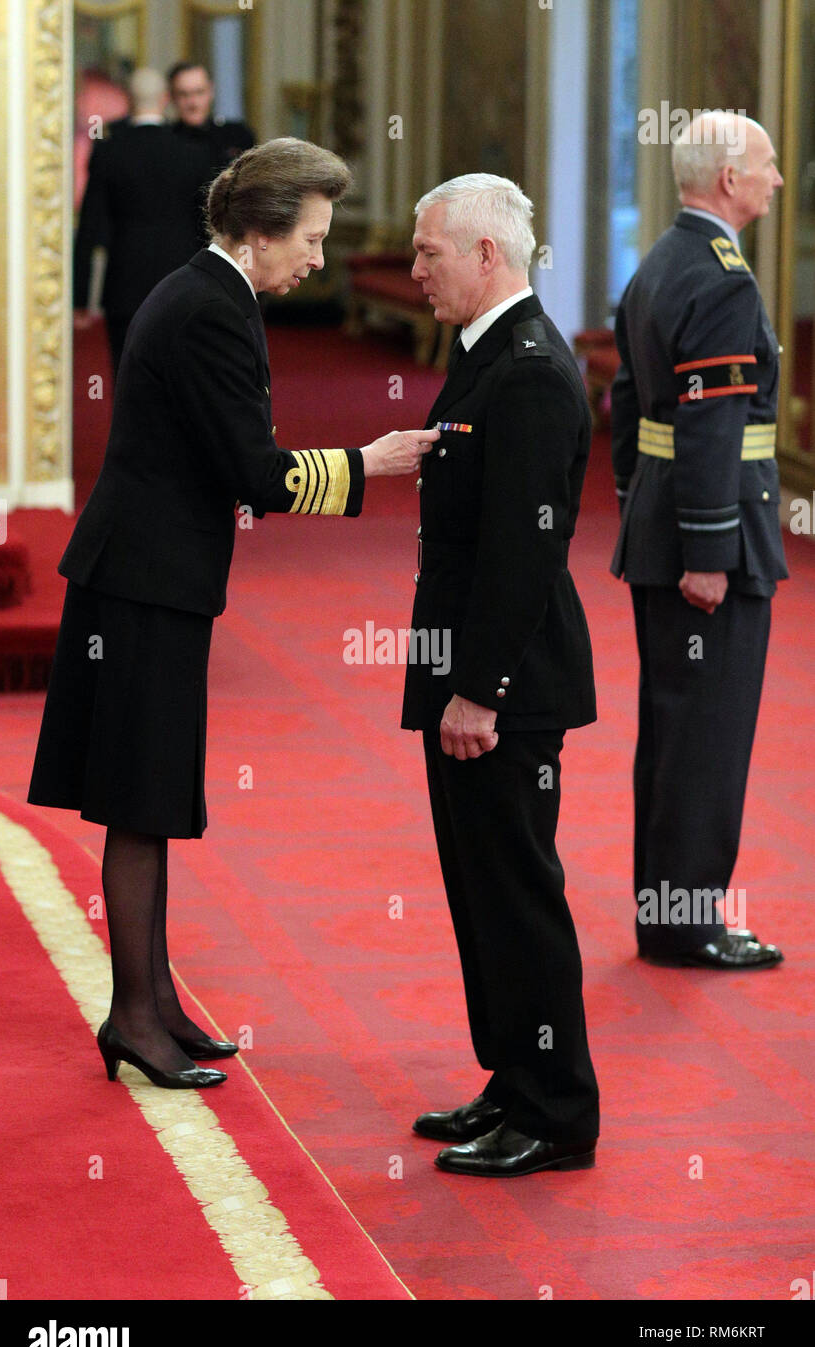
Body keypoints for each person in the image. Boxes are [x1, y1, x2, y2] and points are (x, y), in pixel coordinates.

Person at [30, 138, 438, 1091]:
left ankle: (156, 1002)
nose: (318, 260)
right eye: (310, 238)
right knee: (141, 800)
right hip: (142, 584)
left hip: (149, 577)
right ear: (257, 232)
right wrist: (365, 464)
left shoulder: (210, 293)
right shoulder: (213, 308)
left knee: (155, 793)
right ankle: (134, 1016)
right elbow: (251, 472)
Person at [402, 174, 599, 1177]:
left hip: (505, 686)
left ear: (487, 255)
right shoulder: (487, 351)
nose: (414, 268)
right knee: (481, 890)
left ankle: (557, 1109)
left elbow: (525, 555)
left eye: (429, 251)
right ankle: (512, 1078)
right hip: (470, 669)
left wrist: (478, 688)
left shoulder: (524, 368)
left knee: (518, 893)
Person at [610, 111, 787, 970]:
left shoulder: (660, 262)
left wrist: (633, 498)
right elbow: (713, 426)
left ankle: (668, 917)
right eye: (766, 165)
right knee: (705, 738)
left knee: (675, 731)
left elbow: (620, 396)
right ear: (726, 179)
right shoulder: (721, 280)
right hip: (710, 541)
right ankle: (687, 925)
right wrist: (709, 552)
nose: (777, 180)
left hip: (662, 525)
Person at [73, 68, 212, 373]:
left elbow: (90, 226)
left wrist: (80, 297)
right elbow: (209, 228)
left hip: (124, 283)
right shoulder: (195, 155)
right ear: (166, 99)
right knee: (179, 378)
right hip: (183, 282)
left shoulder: (108, 153)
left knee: (128, 378)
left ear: (128, 101)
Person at [168, 61, 255, 245]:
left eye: (199, 92)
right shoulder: (164, 142)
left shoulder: (237, 135)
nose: (193, 103)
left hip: (228, 240)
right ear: (172, 97)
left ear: (211, 91)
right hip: (178, 243)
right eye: (184, 94)